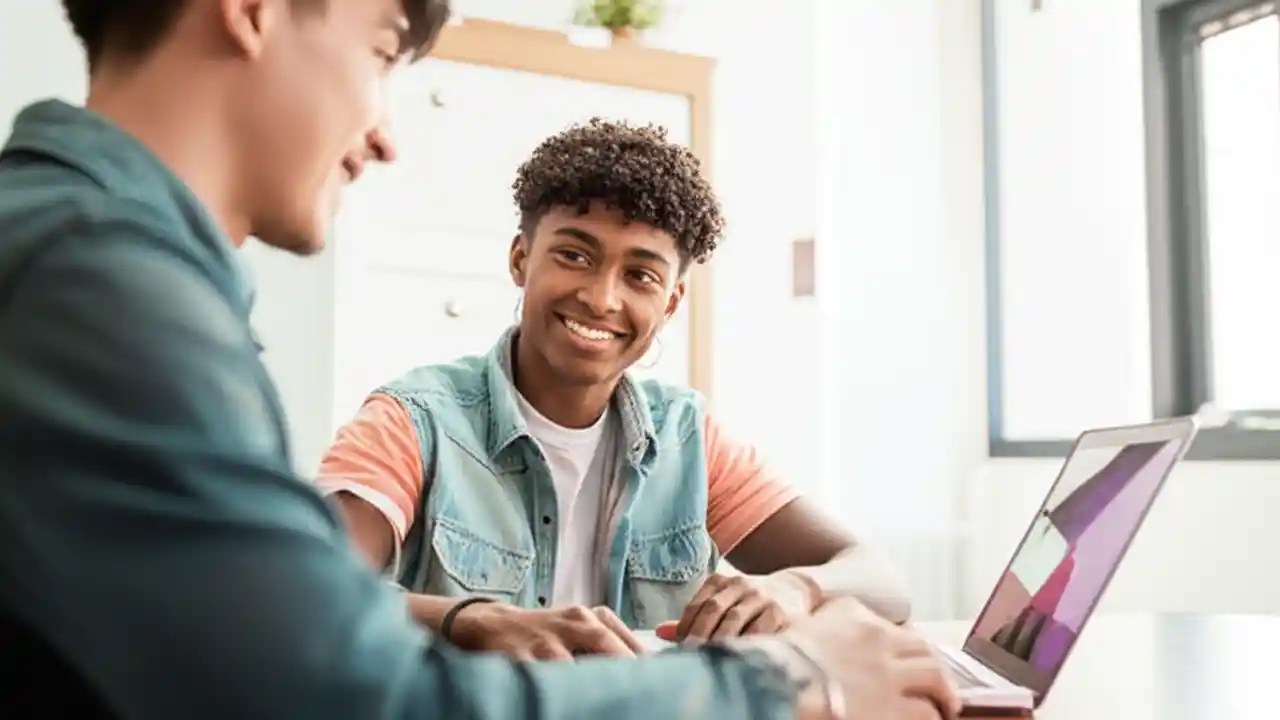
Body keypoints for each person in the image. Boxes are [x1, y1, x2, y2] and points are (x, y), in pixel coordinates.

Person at [0, 1, 958, 718]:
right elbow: (337, 679)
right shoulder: (101, 286)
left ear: (673, 301)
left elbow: (270, 636)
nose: (381, 133)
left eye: (641, 274)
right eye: (382, 50)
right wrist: (790, 681)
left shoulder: (101, 264)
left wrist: (792, 600)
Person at [318, 118, 915, 660]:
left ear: (671, 300)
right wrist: (473, 622)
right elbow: (307, 589)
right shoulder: (414, 419)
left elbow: (882, 582)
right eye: (575, 255)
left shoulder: (688, 438)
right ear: (521, 259)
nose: (602, 298)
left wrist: (795, 587)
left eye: (640, 275)